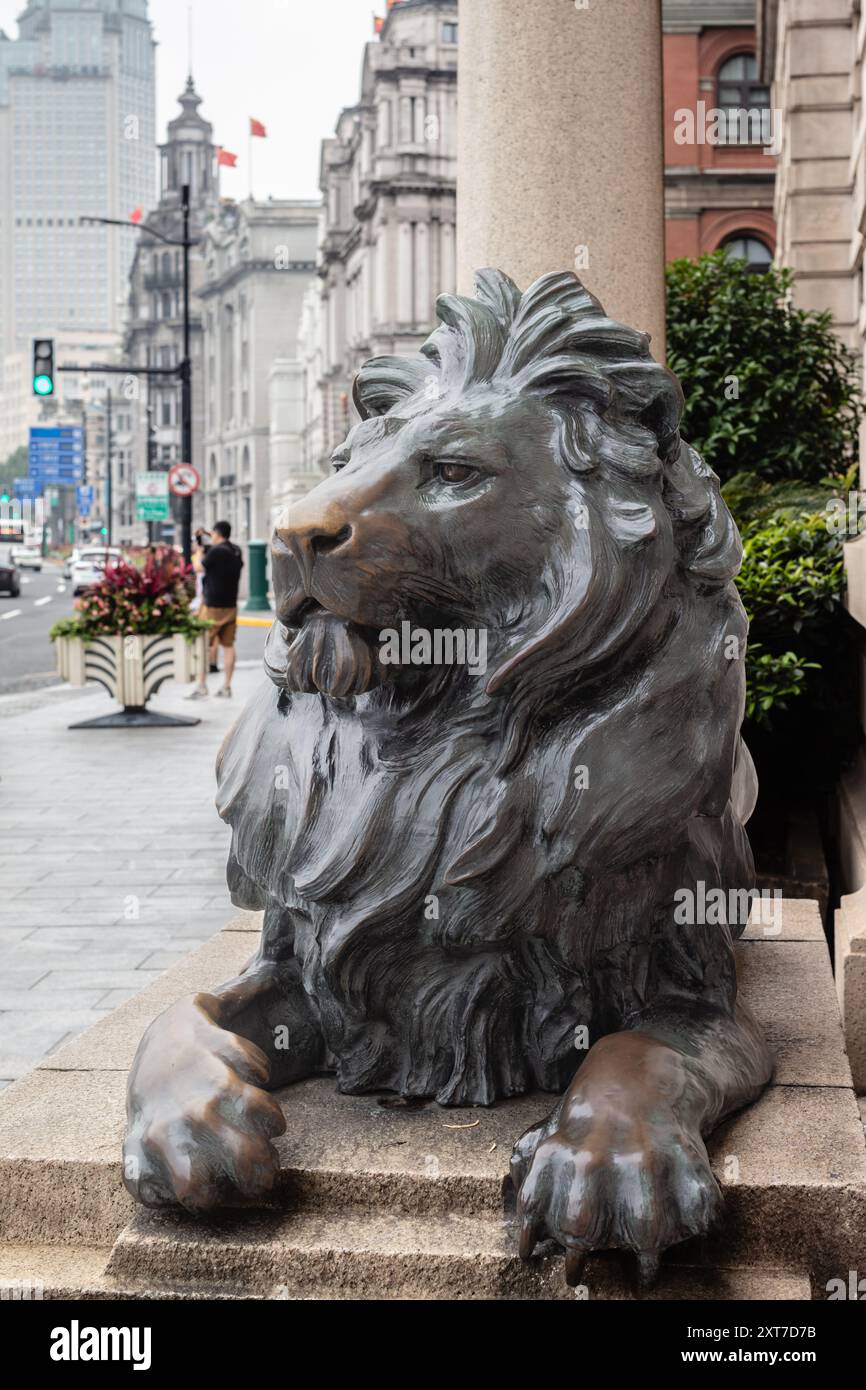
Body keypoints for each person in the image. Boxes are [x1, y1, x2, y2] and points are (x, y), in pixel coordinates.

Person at [187, 521, 243, 700]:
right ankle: (227, 686)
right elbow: (217, 546)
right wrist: (205, 538)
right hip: (230, 604)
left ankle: (201, 685)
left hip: (212, 606)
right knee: (228, 646)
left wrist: (200, 550)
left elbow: (198, 568)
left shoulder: (215, 552)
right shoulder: (235, 550)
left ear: (216, 533)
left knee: (203, 645)